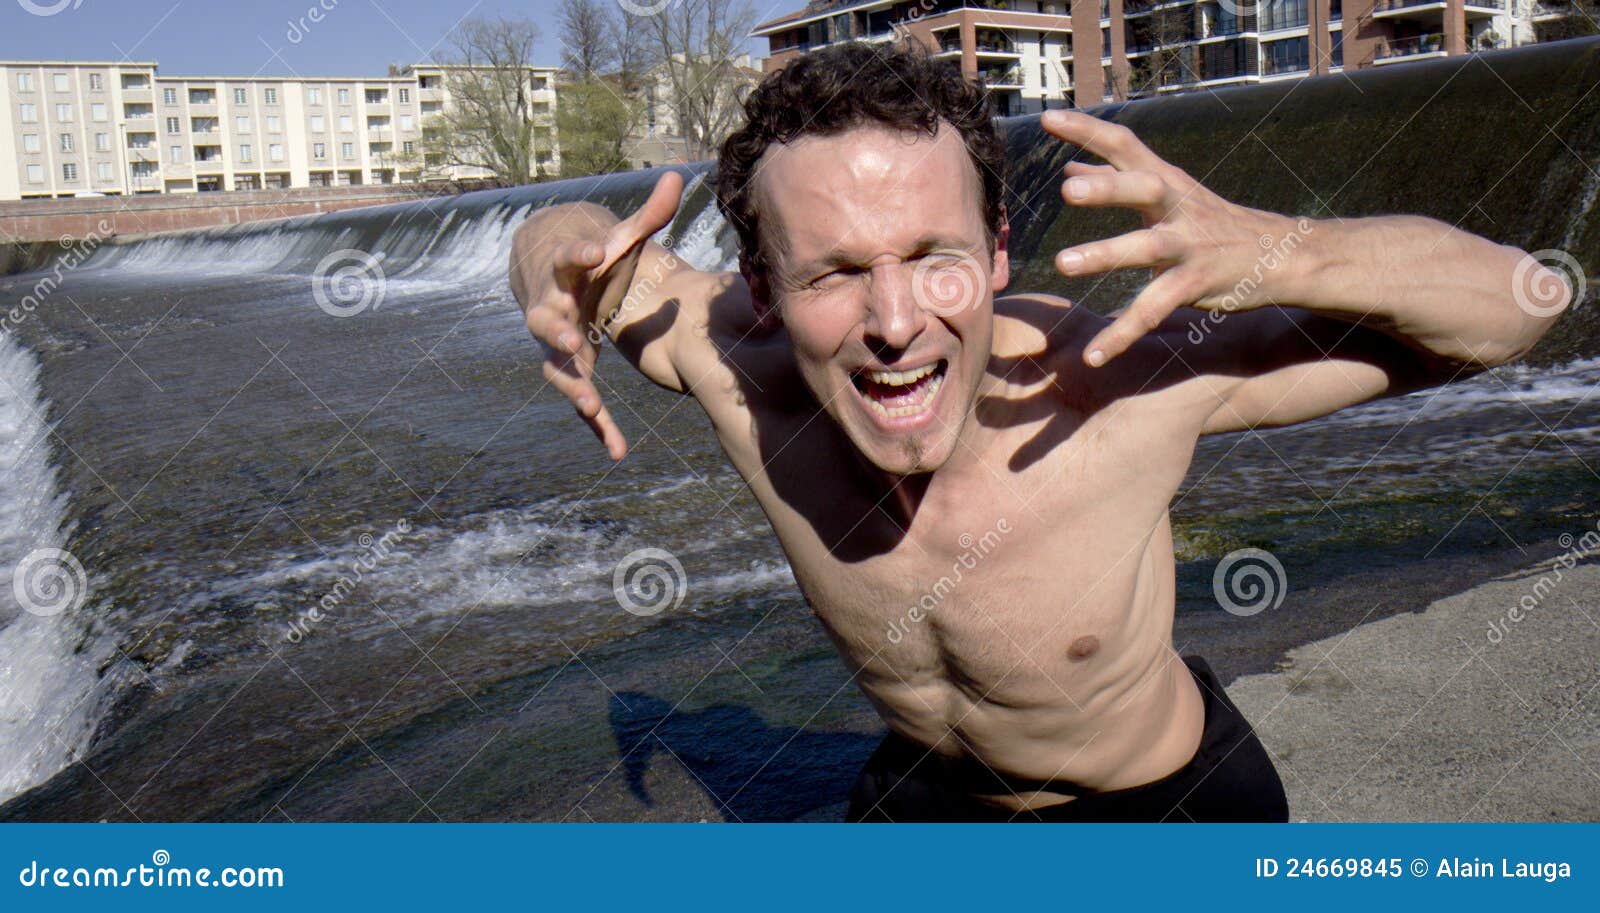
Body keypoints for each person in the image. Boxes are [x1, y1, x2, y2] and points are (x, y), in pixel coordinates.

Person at [507, 41, 1564, 821]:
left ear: (999, 249)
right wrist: (553, 255)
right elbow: (584, 254)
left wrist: (1278, 250)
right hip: (928, 791)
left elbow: (1522, 305)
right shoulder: (737, 366)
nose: (894, 323)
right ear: (763, 283)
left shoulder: (1118, 382)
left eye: (935, 256)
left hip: (1159, 807)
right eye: (835, 272)